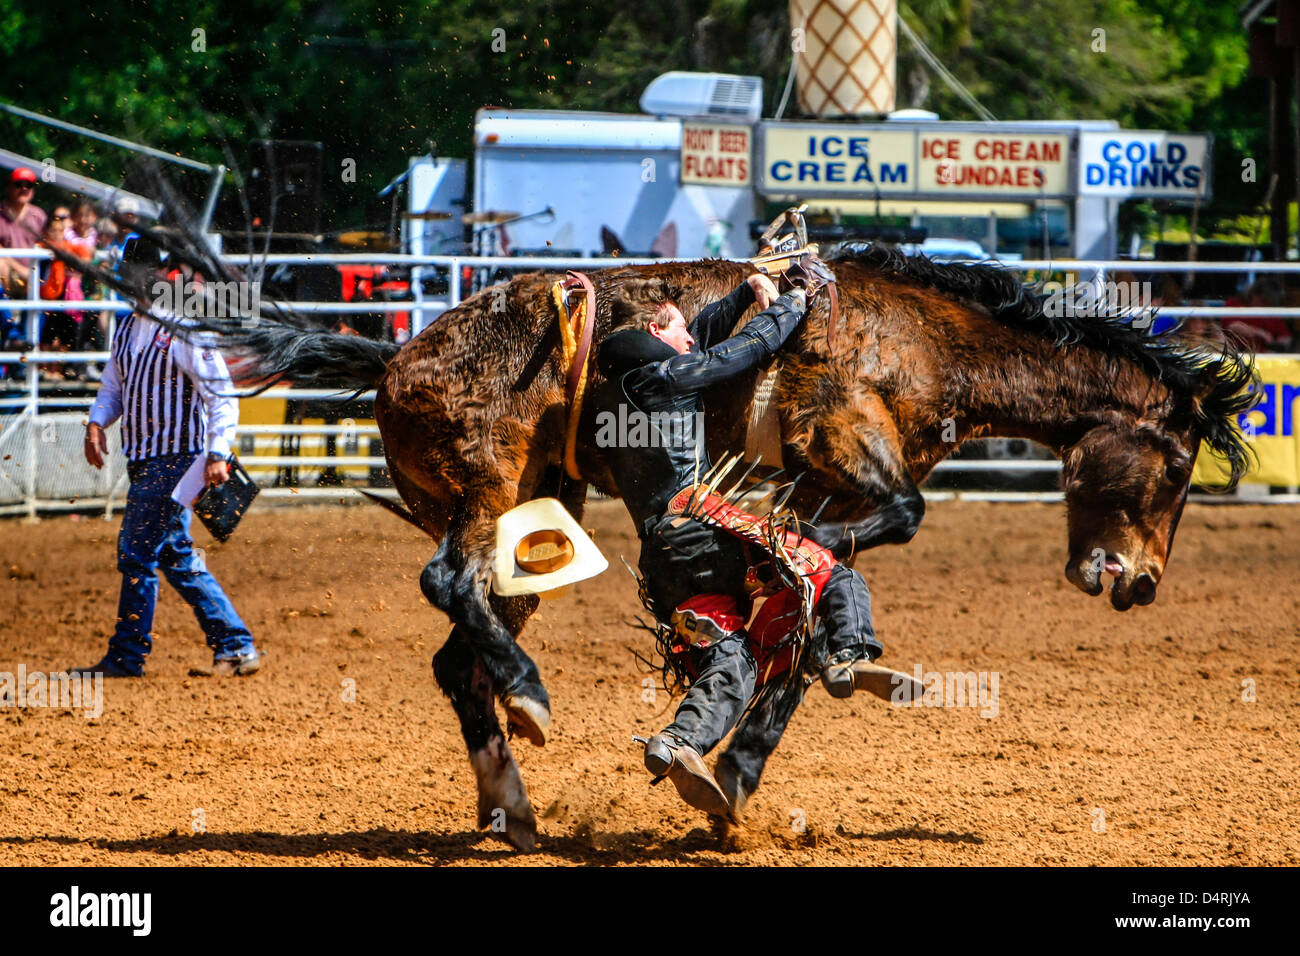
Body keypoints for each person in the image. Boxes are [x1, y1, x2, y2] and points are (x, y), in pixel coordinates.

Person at [595, 261, 911, 815]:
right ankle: (847, 654)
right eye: (678, 328)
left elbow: (710, 338)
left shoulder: (623, 389)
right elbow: (738, 352)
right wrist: (794, 301)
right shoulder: (664, 377)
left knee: (732, 660)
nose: (690, 334)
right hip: (702, 525)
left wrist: (747, 289)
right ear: (653, 332)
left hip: (665, 560)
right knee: (826, 569)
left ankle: (679, 743)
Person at [72, 239, 261, 679]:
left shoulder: (185, 327)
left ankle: (127, 655)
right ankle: (235, 644)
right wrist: (97, 422)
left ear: (161, 275)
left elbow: (221, 394)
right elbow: (113, 389)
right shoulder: (128, 328)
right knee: (175, 555)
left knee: (137, 553)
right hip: (149, 457)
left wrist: (218, 451)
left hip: (176, 458)